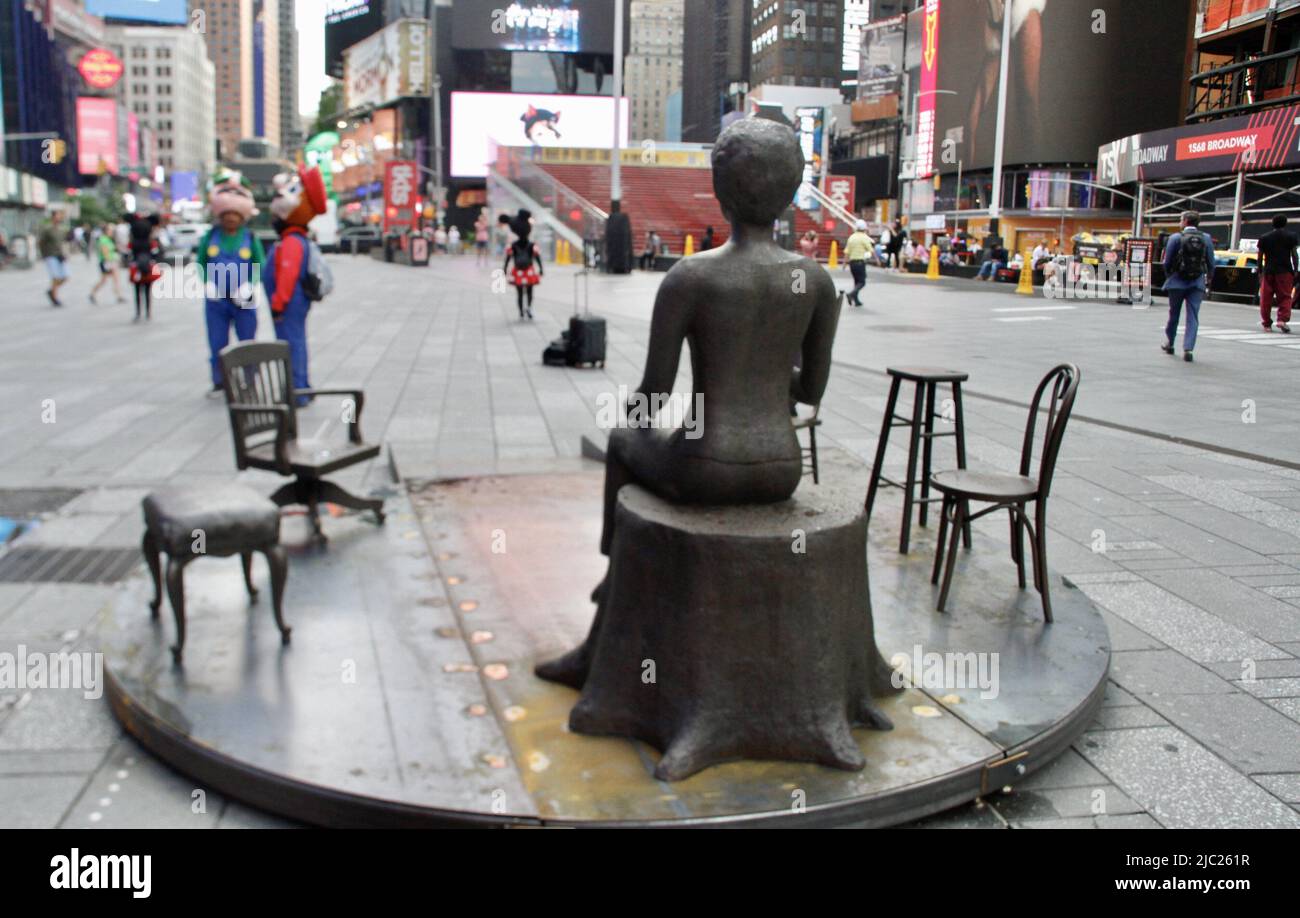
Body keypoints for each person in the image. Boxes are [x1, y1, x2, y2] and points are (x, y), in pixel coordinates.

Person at [265, 165, 329, 401]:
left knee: (292, 345)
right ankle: (301, 387)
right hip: (294, 303)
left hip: (290, 304)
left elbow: (288, 275)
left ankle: (298, 391)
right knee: (296, 342)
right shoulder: (295, 239)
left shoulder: (291, 241)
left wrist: (278, 303)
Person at [199, 174, 265, 393]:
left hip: (243, 301)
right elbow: (201, 263)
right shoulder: (210, 237)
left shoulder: (250, 238)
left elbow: (259, 264)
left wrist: (250, 285)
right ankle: (221, 381)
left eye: (235, 215)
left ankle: (250, 379)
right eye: (226, 215)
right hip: (217, 301)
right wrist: (207, 282)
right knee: (217, 342)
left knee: (247, 340)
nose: (230, 219)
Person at [1161, 211, 1216, 363]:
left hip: (1177, 282)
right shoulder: (1206, 238)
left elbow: (1167, 262)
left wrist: (1170, 276)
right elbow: (1211, 262)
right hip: (1197, 283)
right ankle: (1188, 349)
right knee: (1193, 316)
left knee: (1174, 314)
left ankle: (1170, 343)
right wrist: (1208, 279)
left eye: (1180, 220)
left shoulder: (1175, 238)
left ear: (1185, 221)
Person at [1257, 213, 1297, 333]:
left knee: (1265, 298)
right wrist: (1295, 269)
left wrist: (1260, 271)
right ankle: (1282, 320)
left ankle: (1267, 324)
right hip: (1285, 271)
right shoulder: (1291, 236)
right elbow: (1294, 255)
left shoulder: (1264, 237)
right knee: (1285, 296)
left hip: (1268, 271)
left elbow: (1260, 257)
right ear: (1285, 223)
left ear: (1272, 223)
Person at [502, 209, 542, 320]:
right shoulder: (531, 244)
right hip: (529, 271)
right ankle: (528, 308)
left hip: (518, 271)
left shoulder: (513, 245)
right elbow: (537, 257)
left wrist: (504, 269)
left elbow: (508, 257)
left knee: (519, 293)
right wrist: (541, 269)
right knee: (529, 291)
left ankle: (521, 311)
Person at [126, 212, 162, 321]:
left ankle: (138, 313)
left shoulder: (132, 243)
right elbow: (156, 254)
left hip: (136, 269)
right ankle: (148, 312)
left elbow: (128, 255)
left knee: (137, 292)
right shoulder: (151, 242)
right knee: (147, 291)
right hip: (148, 268)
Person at [89, 223, 125, 305]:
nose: (112, 232)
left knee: (113, 279)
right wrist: (111, 262)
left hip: (110, 262)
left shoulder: (108, 239)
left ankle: (118, 295)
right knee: (105, 280)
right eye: (110, 230)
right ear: (106, 231)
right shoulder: (103, 240)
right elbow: (105, 253)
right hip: (107, 262)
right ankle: (93, 293)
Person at [38, 211, 69, 306]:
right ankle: (55, 298)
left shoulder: (62, 229)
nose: (59, 217)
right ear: (53, 217)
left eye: (60, 215)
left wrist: (65, 253)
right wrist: (43, 254)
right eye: (58, 215)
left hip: (60, 255)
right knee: (55, 277)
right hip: (50, 255)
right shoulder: (47, 229)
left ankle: (52, 290)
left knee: (65, 276)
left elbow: (64, 242)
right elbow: (41, 242)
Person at [844, 220, 873, 307]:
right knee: (862, 282)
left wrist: (845, 263)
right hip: (860, 262)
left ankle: (856, 300)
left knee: (856, 282)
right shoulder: (864, 237)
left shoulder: (851, 237)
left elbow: (847, 252)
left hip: (852, 263)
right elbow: (870, 249)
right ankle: (851, 294)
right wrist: (878, 259)